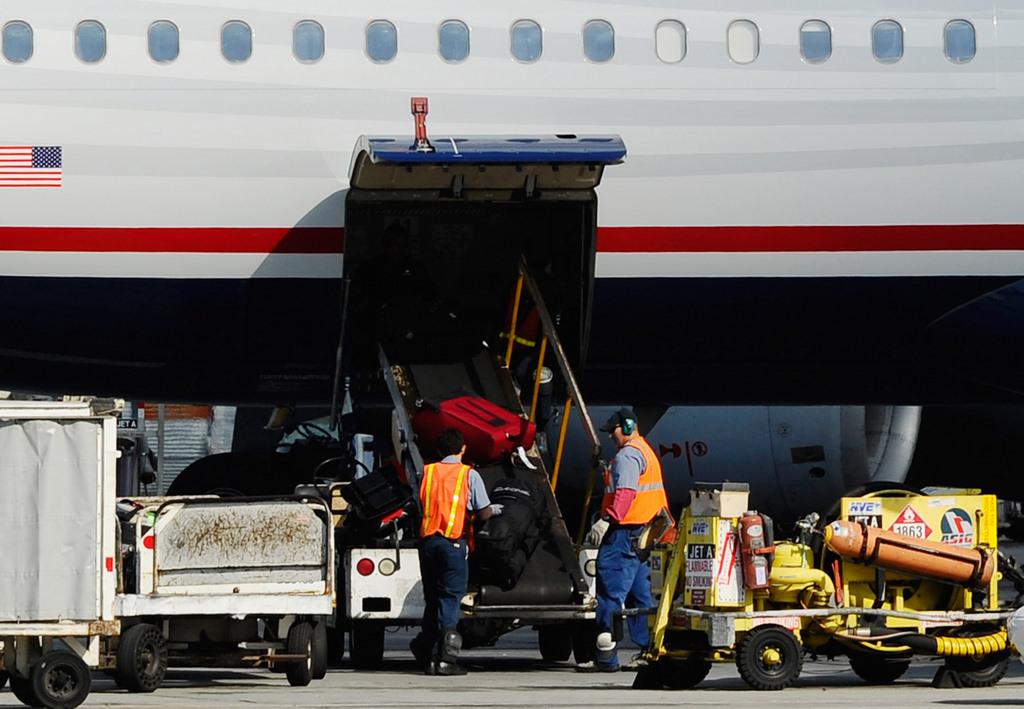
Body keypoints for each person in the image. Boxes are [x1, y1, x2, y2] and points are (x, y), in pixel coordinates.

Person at [577, 407, 669, 672]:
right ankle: (647, 650)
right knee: (639, 594)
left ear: (626, 428)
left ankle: (606, 657)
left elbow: (627, 492)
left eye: (613, 431)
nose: (611, 437)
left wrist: (607, 519)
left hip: (624, 532)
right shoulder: (643, 450)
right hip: (643, 534)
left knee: (610, 592)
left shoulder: (628, 456)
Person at [410, 428, 502, 675]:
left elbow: (418, 503)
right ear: (463, 449)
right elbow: (482, 512)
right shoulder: (468, 475)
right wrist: (496, 510)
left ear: (439, 450)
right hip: (452, 543)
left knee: (433, 598)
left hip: (428, 542)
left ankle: (427, 652)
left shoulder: (426, 473)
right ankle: (446, 659)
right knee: (450, 599)